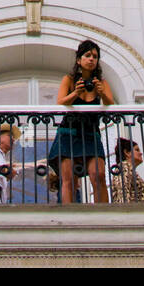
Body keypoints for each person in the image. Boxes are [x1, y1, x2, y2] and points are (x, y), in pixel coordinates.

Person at [49, 40, 113, 204]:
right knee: (69, 178)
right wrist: (76, 93)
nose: (91, 59)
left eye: (95, 56)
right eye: (87, 55)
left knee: (98, 174)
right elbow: (61, 102)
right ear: (79, 60)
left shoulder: (102, 82)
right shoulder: (69, 80)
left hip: (91, 133)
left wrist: (101, 93)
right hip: (68, 133)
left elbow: (110, 104)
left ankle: (102, 214)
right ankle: (69, 214)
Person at [110, 138, 144, 204]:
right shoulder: (124, 167)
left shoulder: (129, 169)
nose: (140, 153)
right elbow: (122, 190)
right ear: (127, 152)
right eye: (137, 150)